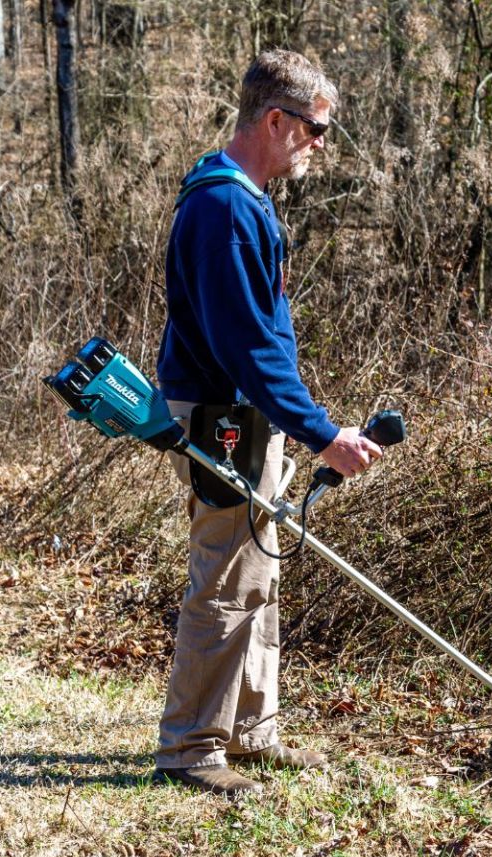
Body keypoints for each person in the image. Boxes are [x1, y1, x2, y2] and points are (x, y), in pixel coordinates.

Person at [151, 51, 380, 798]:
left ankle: (249, 729)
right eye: (315, 129)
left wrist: (301, 425)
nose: (320, 144)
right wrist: (323, 434)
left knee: (258, 567)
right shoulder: (224, 208)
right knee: (226, 576)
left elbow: (257, 343)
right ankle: (191, 745)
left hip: (244, 412)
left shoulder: (240, 197)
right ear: (276, 120)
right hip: (225, 415)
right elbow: (247, 348)